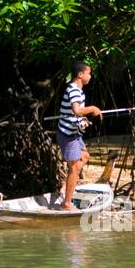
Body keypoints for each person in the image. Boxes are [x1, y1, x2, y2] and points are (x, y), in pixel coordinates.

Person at [56, 62, 101, 210]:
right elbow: (76, 110)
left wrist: (82, 120)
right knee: (75, 167)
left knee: (84, 156)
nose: (90, 76)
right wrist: (93, 109)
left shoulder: (78, 91)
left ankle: (65, 187)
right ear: (80, 75)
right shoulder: (74, 90)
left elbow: (74, 113)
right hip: (67, 134)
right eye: (89, 73)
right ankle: (67, 203)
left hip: (74, 133)